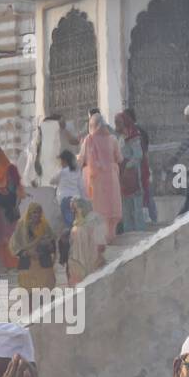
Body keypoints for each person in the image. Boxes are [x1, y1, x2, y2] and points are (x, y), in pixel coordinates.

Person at [78, 112, 122, 241]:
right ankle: (111, 236)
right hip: (111, 178)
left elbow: (81, 160)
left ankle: (99, 238)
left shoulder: (89, 140)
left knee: (98, 208)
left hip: (95, 180)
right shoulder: (113, 139)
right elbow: (119, 158)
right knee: (111, 207)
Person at [9, 202, 57, 292]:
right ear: (30, 213)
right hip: (27, 264)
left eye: (39, 212)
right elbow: (14, 244)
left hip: (44, 264)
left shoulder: (45, 225)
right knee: (29, 295)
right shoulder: (22, 226)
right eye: (34, 212)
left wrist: (50, 246)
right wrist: (27, 252)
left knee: (46, 293)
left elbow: (52, 241)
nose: (37, 215)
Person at [51, 149, 86, 265]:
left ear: (64, 161)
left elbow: (52, 181)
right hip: (76, 199)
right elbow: (81, 187)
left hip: (65, 200)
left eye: (61, 161)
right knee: (76, 223)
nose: (60, 163)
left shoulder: (63, 172)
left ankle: (71, 250)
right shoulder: (77, 171)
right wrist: (84, 199)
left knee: (69, 225)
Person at [114, 112, 146, 232]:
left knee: (136, 205)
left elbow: (138, 155)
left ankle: (139, 231)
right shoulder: (120, 137)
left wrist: (128, 165)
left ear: (125, 123)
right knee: (125, 206)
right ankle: (129, 231)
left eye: (118, 122)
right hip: (123, 175)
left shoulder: (133, 137)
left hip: (133, 175)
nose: (116, 124)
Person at [66, 198, 106, 284]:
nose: (73, 211)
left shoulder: (94, 219)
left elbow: (101, 245)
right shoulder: (77, 223)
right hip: (79, 261)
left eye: (75, 208)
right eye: (72, 209)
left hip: (92, 259)